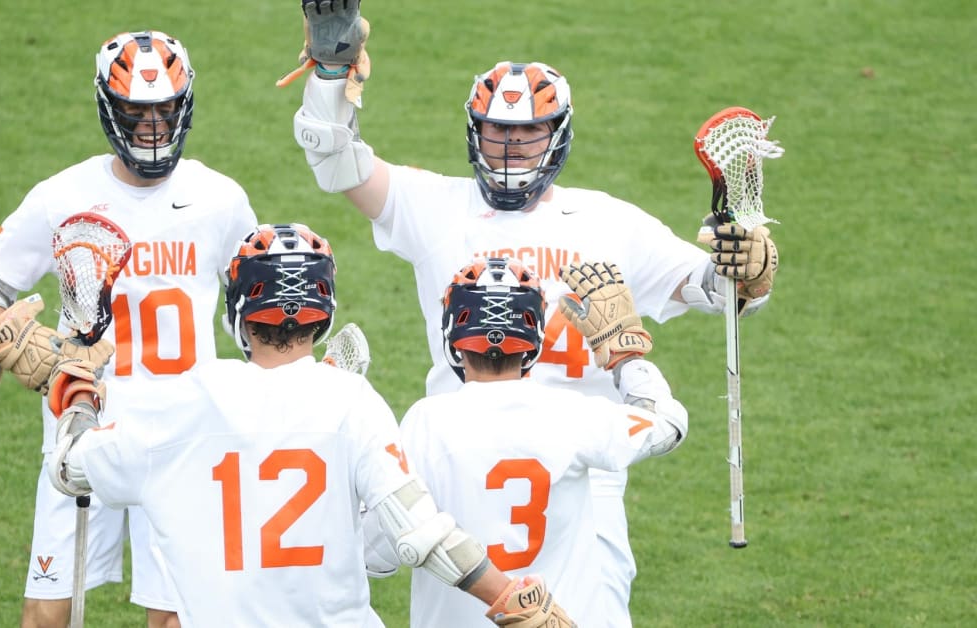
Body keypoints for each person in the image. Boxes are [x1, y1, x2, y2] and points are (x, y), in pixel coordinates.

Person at [284, 2, 781, 625]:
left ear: (558, 135)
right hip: (460, 465)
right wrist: (331, 75)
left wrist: (750, 270)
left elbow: (716, 289)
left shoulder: (607, 221)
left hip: (583, 475)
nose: (511, 147)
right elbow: (336, 159)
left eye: (527, 133)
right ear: (475, 132)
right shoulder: (436, 205)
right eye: (497, 131)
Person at [44, 224, 575, 627]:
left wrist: (78, 390)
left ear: (240, 309)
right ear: (324, 310)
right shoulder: (350, 399)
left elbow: (69, 468)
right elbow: (421, 535)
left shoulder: (186, 400)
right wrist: (509, 598)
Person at [0, 30, 258, 627]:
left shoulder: (221, 199)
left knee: (175, 619)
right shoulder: (62, 197)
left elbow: (247, 314)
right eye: (137, 112)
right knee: (48, 615)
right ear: (108, 108)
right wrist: (5, 332)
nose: (153, 126)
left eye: (165, 109)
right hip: (81, 428)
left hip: (181, 438)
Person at [388, 256, 688, 627]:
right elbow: (667, 423)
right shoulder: (572, 414)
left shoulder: (424, 423)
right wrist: (624, 356)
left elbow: (381, 555)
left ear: (453, 333)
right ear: (534, 336)